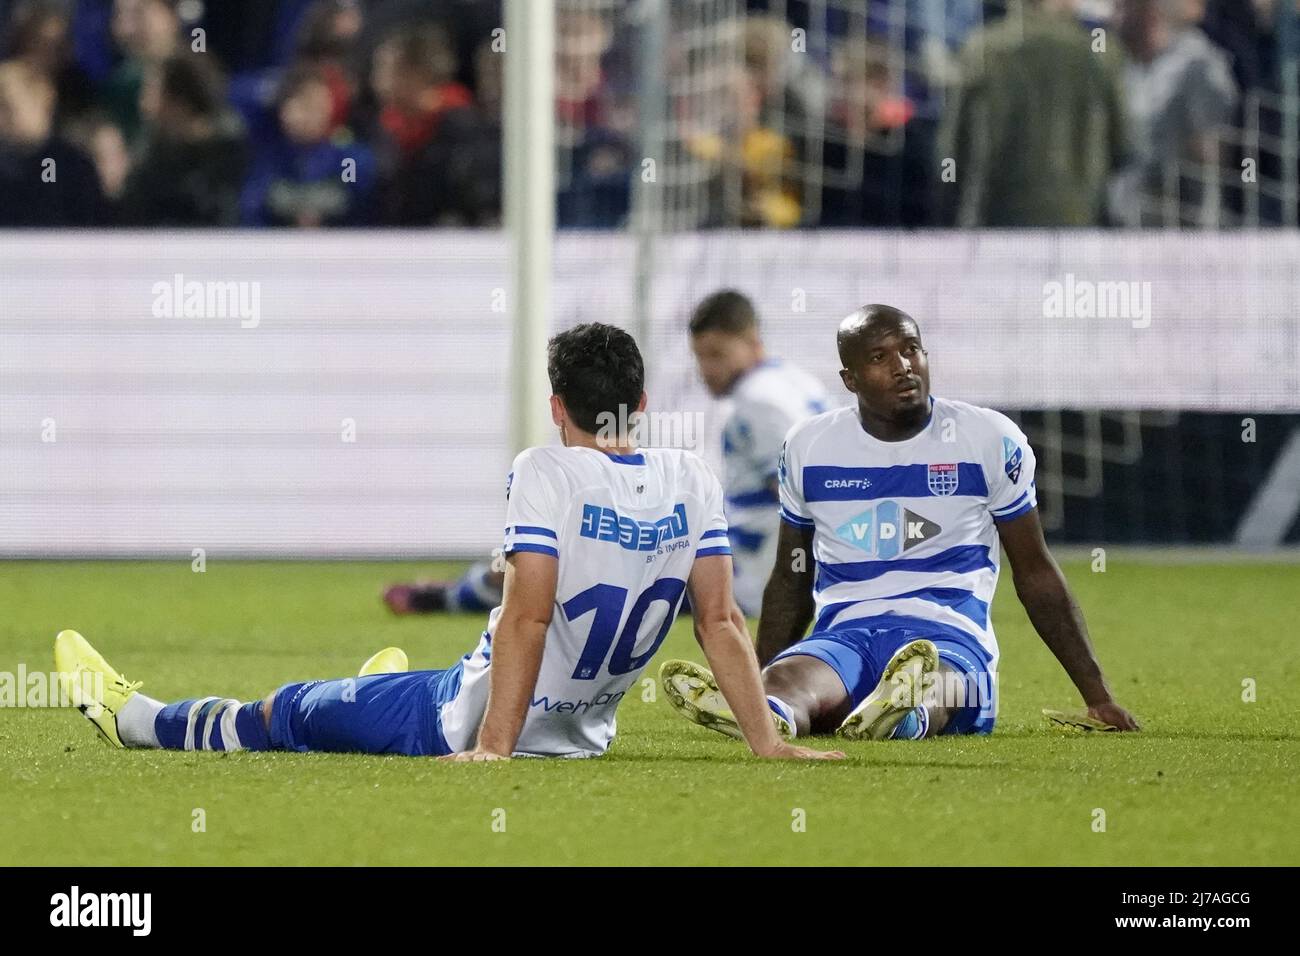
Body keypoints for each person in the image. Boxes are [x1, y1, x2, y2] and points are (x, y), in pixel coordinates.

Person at [56, 323, 842, 763]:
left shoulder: (546, 470)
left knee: (288, 712)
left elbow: (528, 619)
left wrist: (492, 748)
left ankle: (141, 720)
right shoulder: (691, 476)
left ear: (556, 404)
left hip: (459, 717)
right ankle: (367, 694)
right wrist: (767, 744)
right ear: (641, 402)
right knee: (367, 700)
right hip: (582, 739)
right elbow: (720, 624)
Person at [661, 305, 1140, 742]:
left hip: (948, 636)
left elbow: (1035, 571)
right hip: (845, 633)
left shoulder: (988, 439)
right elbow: (792, 575)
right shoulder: (809, 448)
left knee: (941, 687)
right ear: (849, 379)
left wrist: (1096, 695)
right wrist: (758, 676)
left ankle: (904, 715)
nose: (902, 366)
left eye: (911, 350)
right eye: (879, 357)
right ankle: (771, 711)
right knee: (794, 682)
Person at [688, 290, 829, 616]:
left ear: (751, 341)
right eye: (699, 356)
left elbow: (800, 491)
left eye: (716, 354)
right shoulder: (794, 379)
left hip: (756, 570)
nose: (706, 368)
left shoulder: (758, 401)